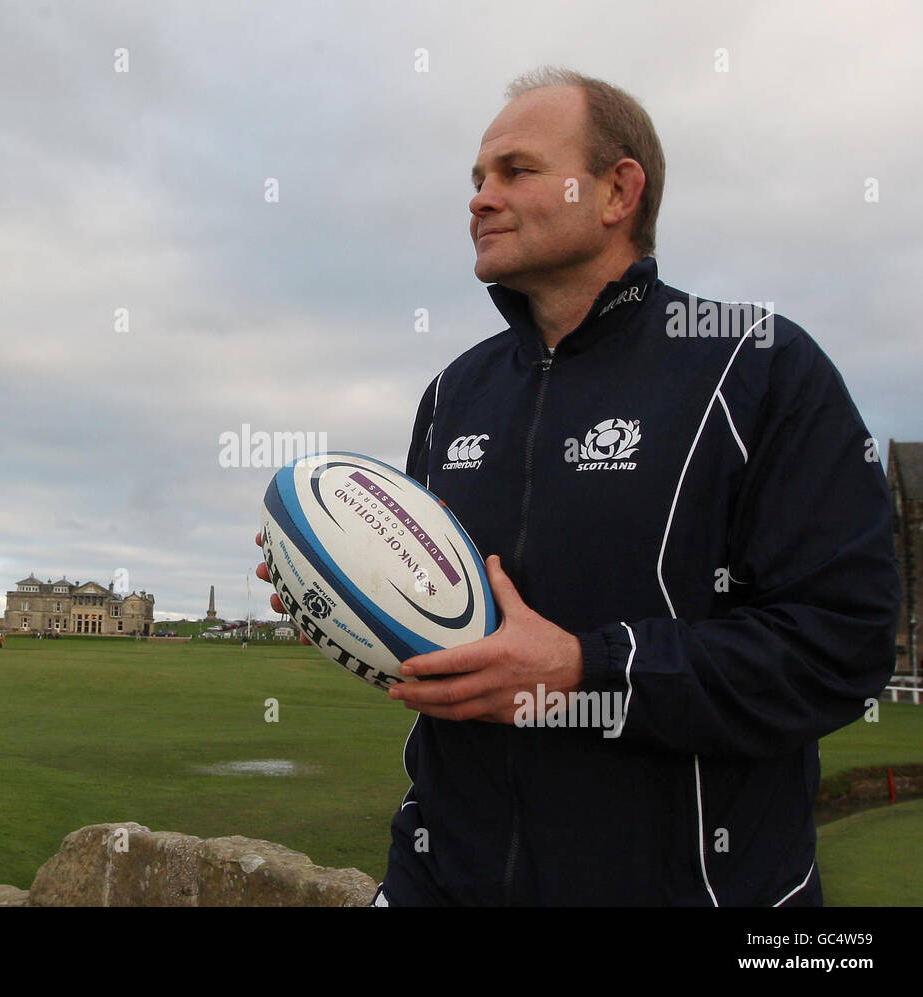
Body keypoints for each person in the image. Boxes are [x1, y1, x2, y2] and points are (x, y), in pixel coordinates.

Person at [255, 67, 899, 906]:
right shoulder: (455, 393)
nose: (480, 198)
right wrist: (342, 597)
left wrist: (584, 671)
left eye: (515, 171)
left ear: (616, 191)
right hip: (439, 882)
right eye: (476, 179)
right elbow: (444, 632)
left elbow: (843, 644)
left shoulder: (758, 367)